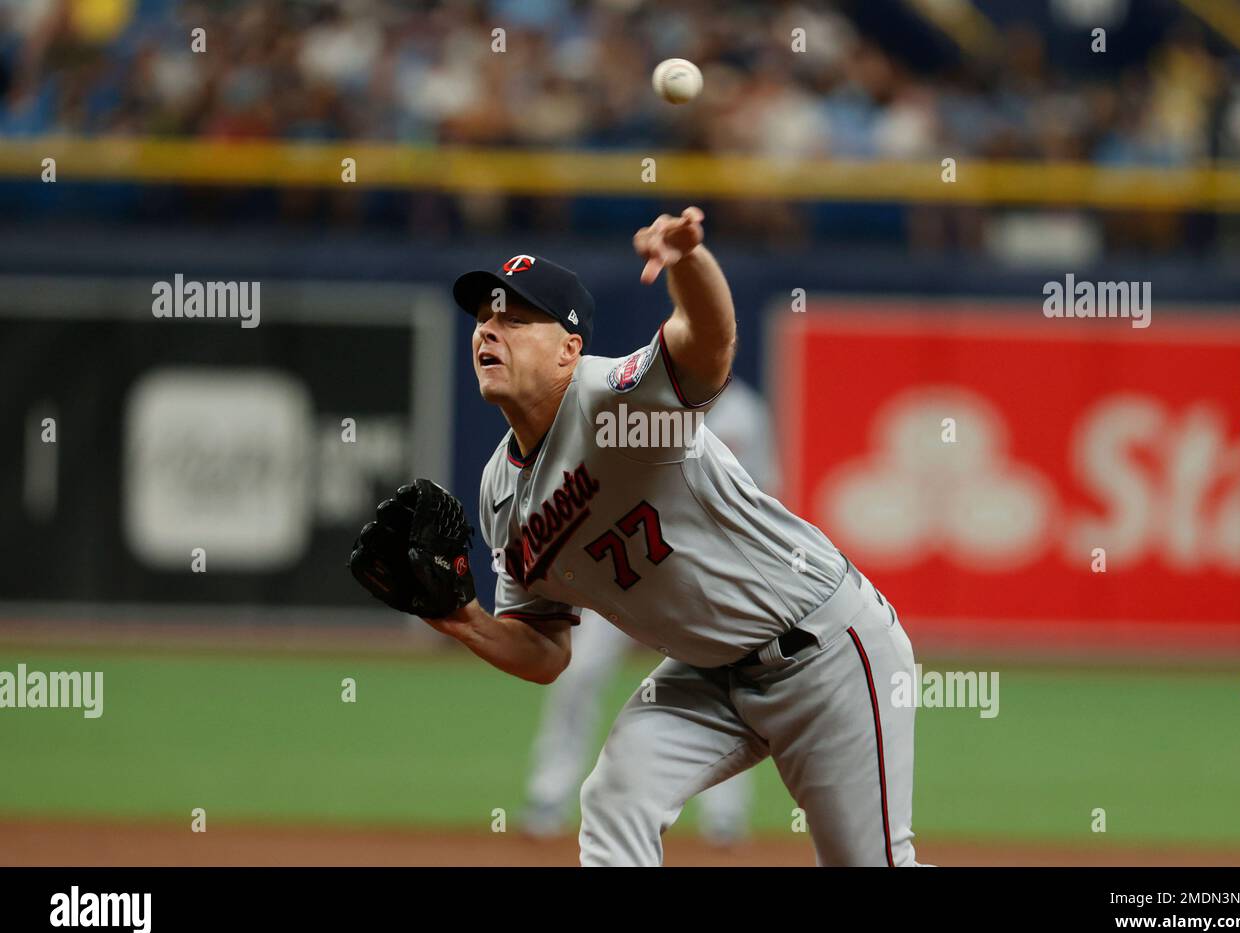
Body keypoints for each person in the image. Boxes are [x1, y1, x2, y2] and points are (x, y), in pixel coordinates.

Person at [364, 207, 922, 866]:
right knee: (615, 798)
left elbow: (709, 343)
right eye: (485, 318)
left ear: (570, 348)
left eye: (516, 319)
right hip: (706, 672)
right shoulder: (499, 495)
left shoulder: (615, 401)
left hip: (825, 646)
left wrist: (688, 260)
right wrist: (460, 619)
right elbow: (546, 651)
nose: (490, 329)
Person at [520, 377, 777, 845]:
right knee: (578, 675)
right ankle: (548, 795)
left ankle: (725, 814)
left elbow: (765, 496)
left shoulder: (745, 411)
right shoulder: (642, 403)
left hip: (707, 577)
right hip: (631, 566)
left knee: (734, 685)